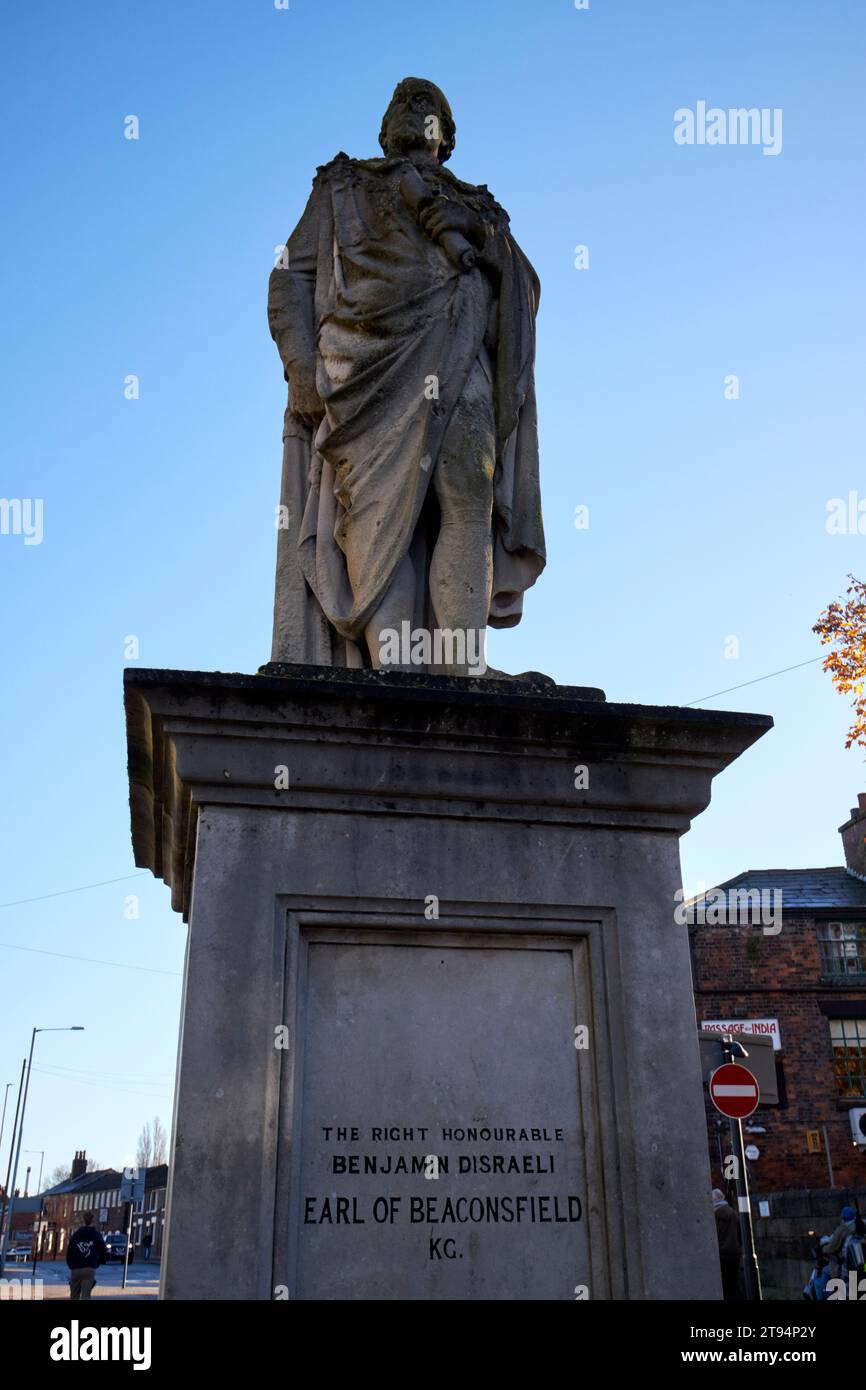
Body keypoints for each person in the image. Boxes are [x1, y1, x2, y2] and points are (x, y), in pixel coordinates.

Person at [66, 1212, 108, 1300]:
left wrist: (71, 1265)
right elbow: (103, 1250)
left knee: (74, 1295)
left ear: (83, 1221)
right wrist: (98, 1263)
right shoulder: (96, 1235)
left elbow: (69, 1252)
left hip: (76, 1268)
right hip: (89, 1268)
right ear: (92, 1222)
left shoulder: (76, 1235)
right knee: (86, 1296)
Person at [712, 1188, 742, 1301]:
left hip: (722, 1253)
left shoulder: (713, 1215)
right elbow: (739, 1233)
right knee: (733, 1283)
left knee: (724, 1284)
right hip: (734, 1252)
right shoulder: (733, 1213)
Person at [824, 1204, 858, 1278]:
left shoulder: (843, 1229)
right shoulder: (859, 1226)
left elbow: (832, 1248)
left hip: (846, 1267)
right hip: (861, 1266)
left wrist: (823, 1249)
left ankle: (832, 1288)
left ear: (843, 1217)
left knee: (824, 1271)